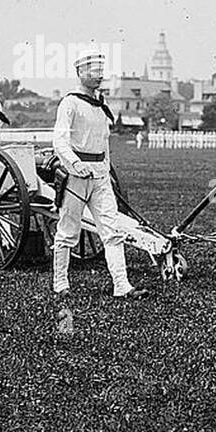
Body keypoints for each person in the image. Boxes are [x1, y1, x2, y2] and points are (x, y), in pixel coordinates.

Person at [50, 49, 144, 299]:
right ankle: (60, 283)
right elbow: (59, 141)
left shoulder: (101, 105)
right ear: (80, 72)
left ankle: (122, 285)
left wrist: (107, 174)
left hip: (100, 176)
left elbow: (105, 145)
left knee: (112, 232)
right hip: (76, 177)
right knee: (68, 231)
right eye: (93, 70)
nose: (99, 75)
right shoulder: (70, 103)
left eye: (101, 70)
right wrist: (73, 163)